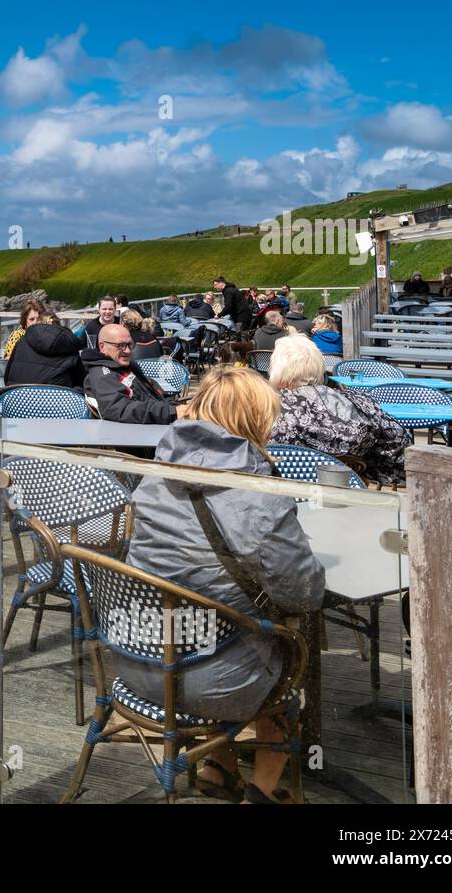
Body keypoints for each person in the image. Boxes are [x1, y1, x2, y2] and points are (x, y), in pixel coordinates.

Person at [122, 365, 326, 803]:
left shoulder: (153, 475)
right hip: (211, 678)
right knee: (291, 645)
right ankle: (265, 789)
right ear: (255, 420)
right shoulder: (257, 493)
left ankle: (219, 764)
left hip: (133, 658)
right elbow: (303, 593)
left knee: (214, 624)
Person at [269, 336, 410, 485]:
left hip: (289, 489)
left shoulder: (269, 407)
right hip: (351, 487)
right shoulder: (359, 401)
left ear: (277, 370)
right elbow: (399, 438)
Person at [80, 323, 180, 423]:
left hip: (161, 419)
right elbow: (120, 409)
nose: (127, 351)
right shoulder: (101, 375)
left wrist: (174, 407)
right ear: (102, 347)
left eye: (130, 345)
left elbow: (154, 390)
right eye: (120, 346)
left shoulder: (124, 366)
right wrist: (172, 412)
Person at [3, 314, 86, 389]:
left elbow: (7, 376)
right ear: (59, 327)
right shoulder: (69, 346)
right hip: (55, 402)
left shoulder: (21, 342)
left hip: (17, 401)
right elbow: (81, 380)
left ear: (37, 325)